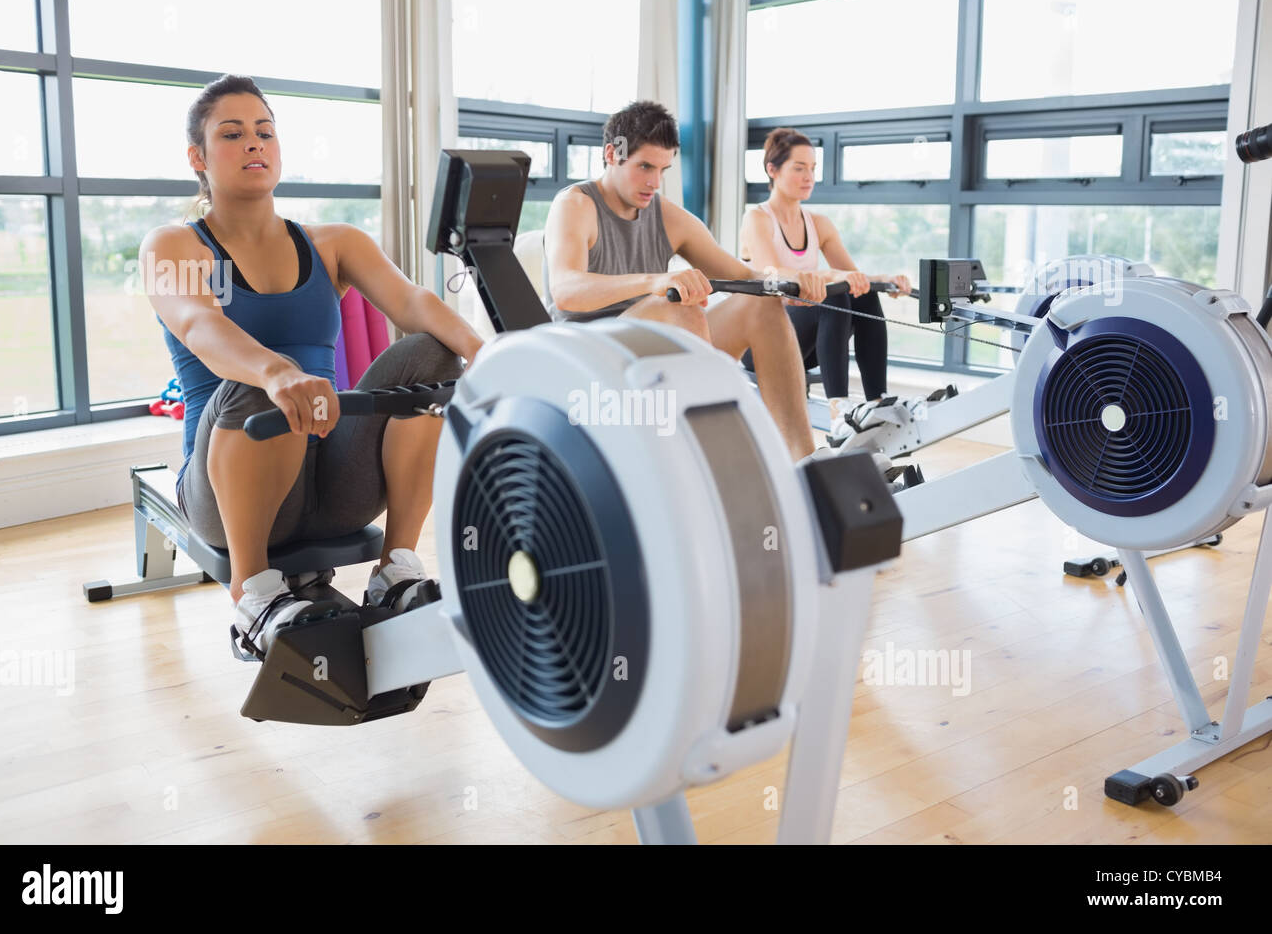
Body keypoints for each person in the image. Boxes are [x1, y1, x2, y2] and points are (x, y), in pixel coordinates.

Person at [140, 74, 484, 655]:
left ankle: (395, 571)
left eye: (264, 132)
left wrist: (492, 354)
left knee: (432, 355)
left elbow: (413, 303)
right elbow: (199, 324)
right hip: (229, 492)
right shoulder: (173, 246)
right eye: (233, 134)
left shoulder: (333, 243)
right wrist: (277, 373)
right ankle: (252, 596)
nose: (254, 144)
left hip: (335, 488)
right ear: (197, 157)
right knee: (252, 384)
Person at [542, 101, 828, 461]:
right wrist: (655, 281)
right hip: (591, 361)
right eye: (644, 166)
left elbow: (744, 275)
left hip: (654, 352)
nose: (654, 182)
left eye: (663, 169)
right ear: (613, 153)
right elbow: (566, 291)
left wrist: (790, 281)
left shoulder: (666, 216)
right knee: (677, 304)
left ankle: (804, 462)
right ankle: (718, 459)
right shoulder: (576, 205)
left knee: (761, 302)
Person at [739, 127, 912, 439]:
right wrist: (831, 277)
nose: (809, 177)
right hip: (761, 341)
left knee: (863, 295)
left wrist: (885, 279)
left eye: (813, 169)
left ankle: (877, 401)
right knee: (833, 295)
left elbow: (850, 276)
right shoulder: (758, 219)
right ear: (772, 170)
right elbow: (771, 272)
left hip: (805, 342)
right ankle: (839, 413)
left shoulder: (819, 224)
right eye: (799, 168)